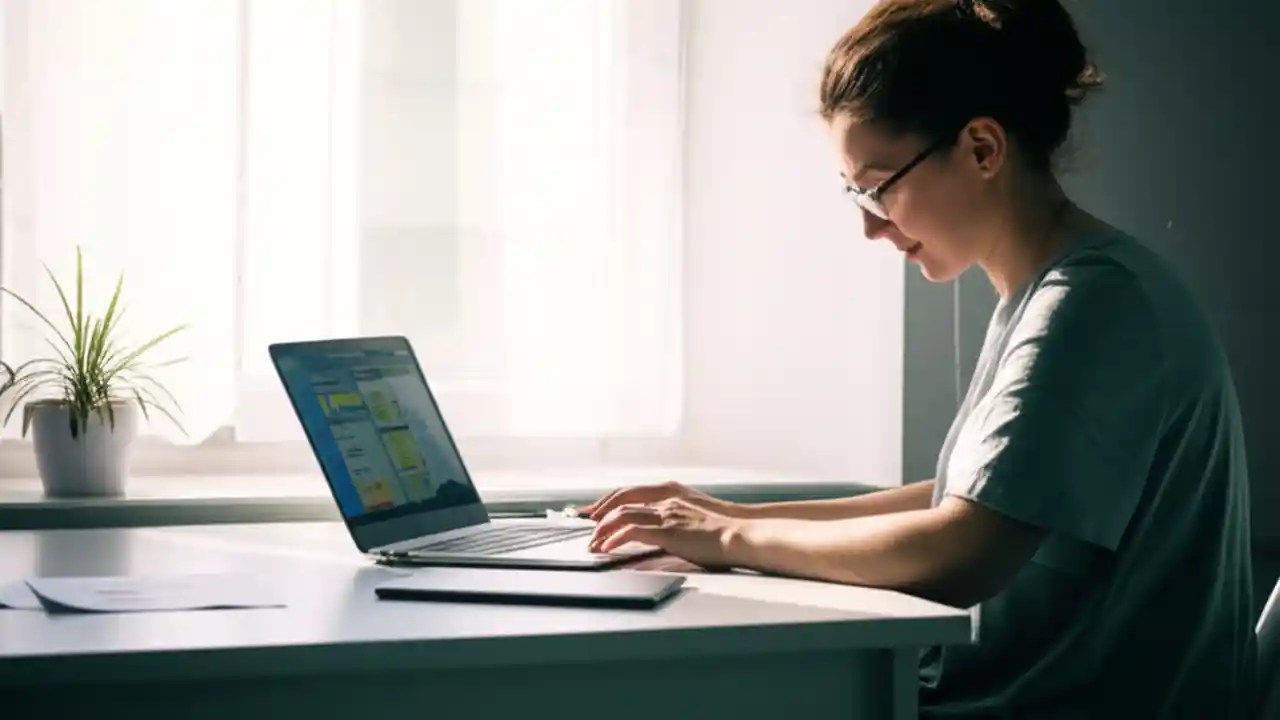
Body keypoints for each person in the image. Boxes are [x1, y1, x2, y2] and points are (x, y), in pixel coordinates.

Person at [579, 0, 1257, 716]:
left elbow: (964, 550)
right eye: (853, 192)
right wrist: (720, 514)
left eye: (877, 187)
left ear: (982, 149)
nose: (869, 226)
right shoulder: (1053, 295)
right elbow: (966, 500)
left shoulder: (1093, 306)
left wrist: (732, 535)